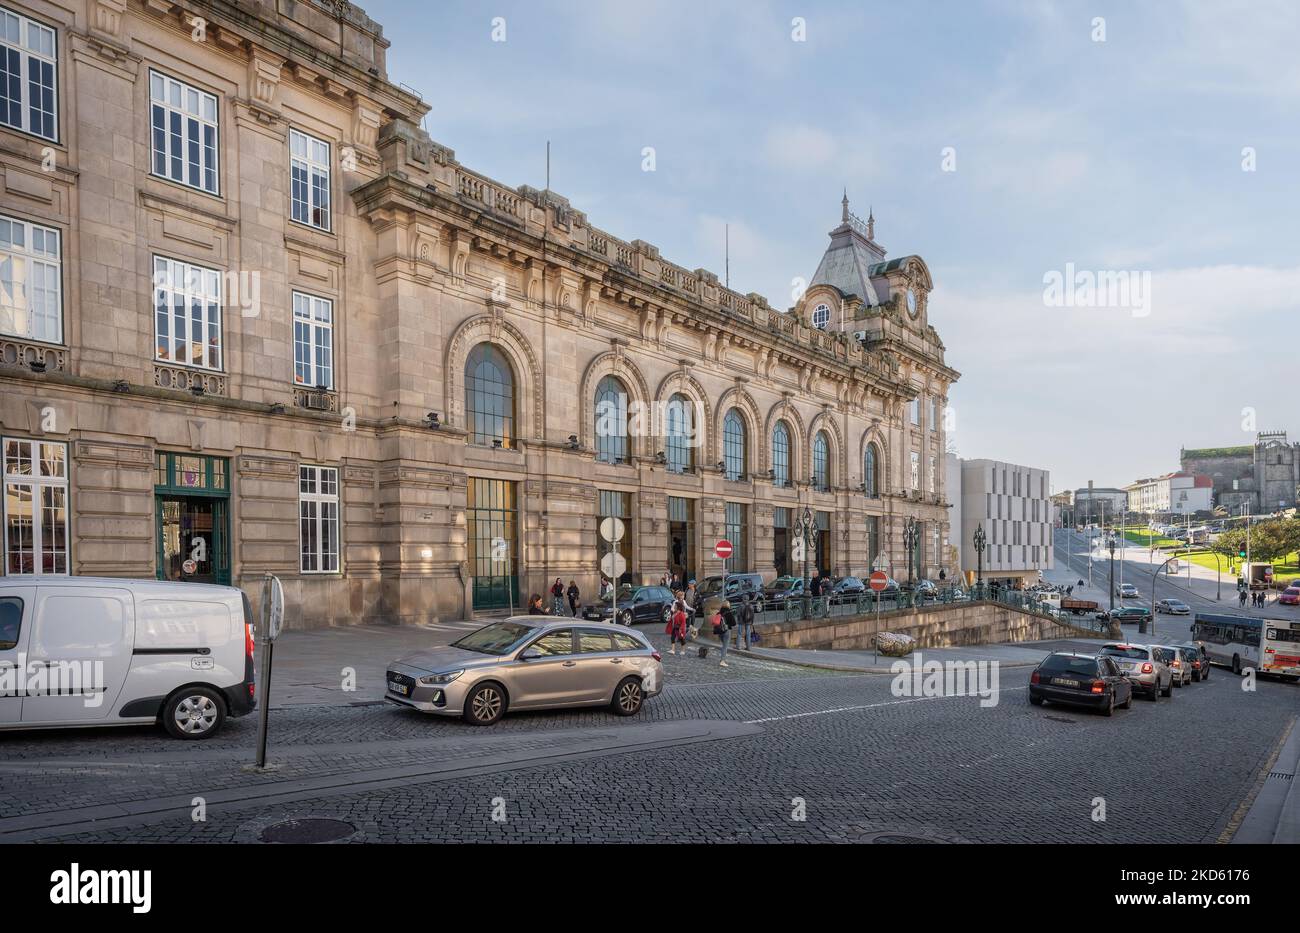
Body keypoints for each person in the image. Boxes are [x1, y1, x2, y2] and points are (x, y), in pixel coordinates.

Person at [713, 599, 734, 667]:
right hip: (726, 631)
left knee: (723, 645)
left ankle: (723, 658)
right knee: (725, 646)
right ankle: (722, 660)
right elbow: (734, 623)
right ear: (728, 605)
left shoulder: (718, 613)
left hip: (719, 631)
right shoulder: (729, 613)